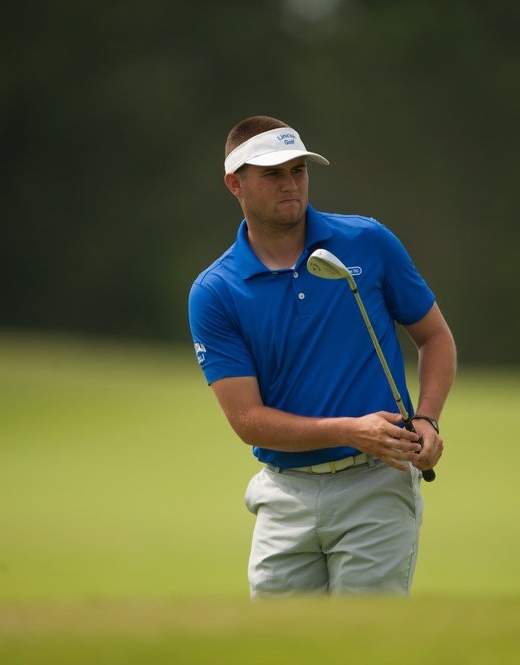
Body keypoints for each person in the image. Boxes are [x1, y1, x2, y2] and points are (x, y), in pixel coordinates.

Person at [188, 115, 456, 597]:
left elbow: (435, 338)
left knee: (363, 644)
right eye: (273, 174)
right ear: (235, 183)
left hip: (377, 486)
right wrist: (350, 430)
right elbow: (247, 419)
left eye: (299, 171)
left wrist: (428, 419)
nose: (290, 184)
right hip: (284, 495)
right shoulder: (215, 291)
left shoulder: (367, 243)